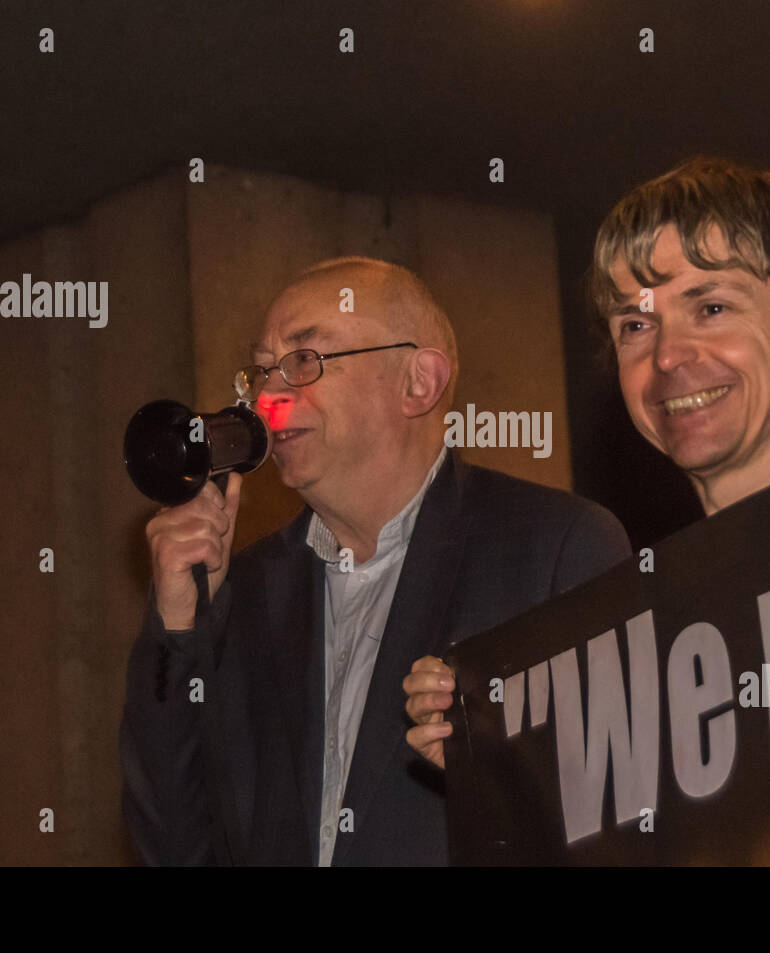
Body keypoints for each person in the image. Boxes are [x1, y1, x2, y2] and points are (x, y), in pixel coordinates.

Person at [120, 256, 631, 866]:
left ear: (419, 382)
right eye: (260, 372)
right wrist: (178, 632)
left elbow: (614, 821)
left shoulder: (553, 549)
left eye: (304, 361)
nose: (270, 397)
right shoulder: (249, 590)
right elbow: (173, 846)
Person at [406, 156, 770, 770]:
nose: (667, 356)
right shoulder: (650, 629)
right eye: (636, 323)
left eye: (711, 308)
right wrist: (505, 771)